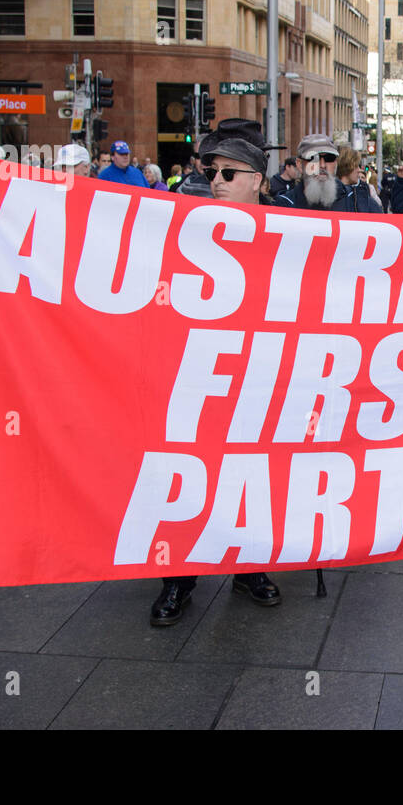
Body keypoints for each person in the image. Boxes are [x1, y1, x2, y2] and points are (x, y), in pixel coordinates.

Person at [151, 129, 281, 625]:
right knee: (187, 476)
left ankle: (250, 568)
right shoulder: (181, 223)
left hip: (258, 376)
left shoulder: (287, 232)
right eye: (211, 172)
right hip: (195, 376)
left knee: (250, 476)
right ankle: (178, 581)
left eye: (229, 173)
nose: (217, 181)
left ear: (258, 182)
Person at [276, 135, 382, 213]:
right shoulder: (284, 205)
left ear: (335, 163)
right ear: (299, 165)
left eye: (329, 158)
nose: (322, 165)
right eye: (313, 158)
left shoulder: (359, 202)